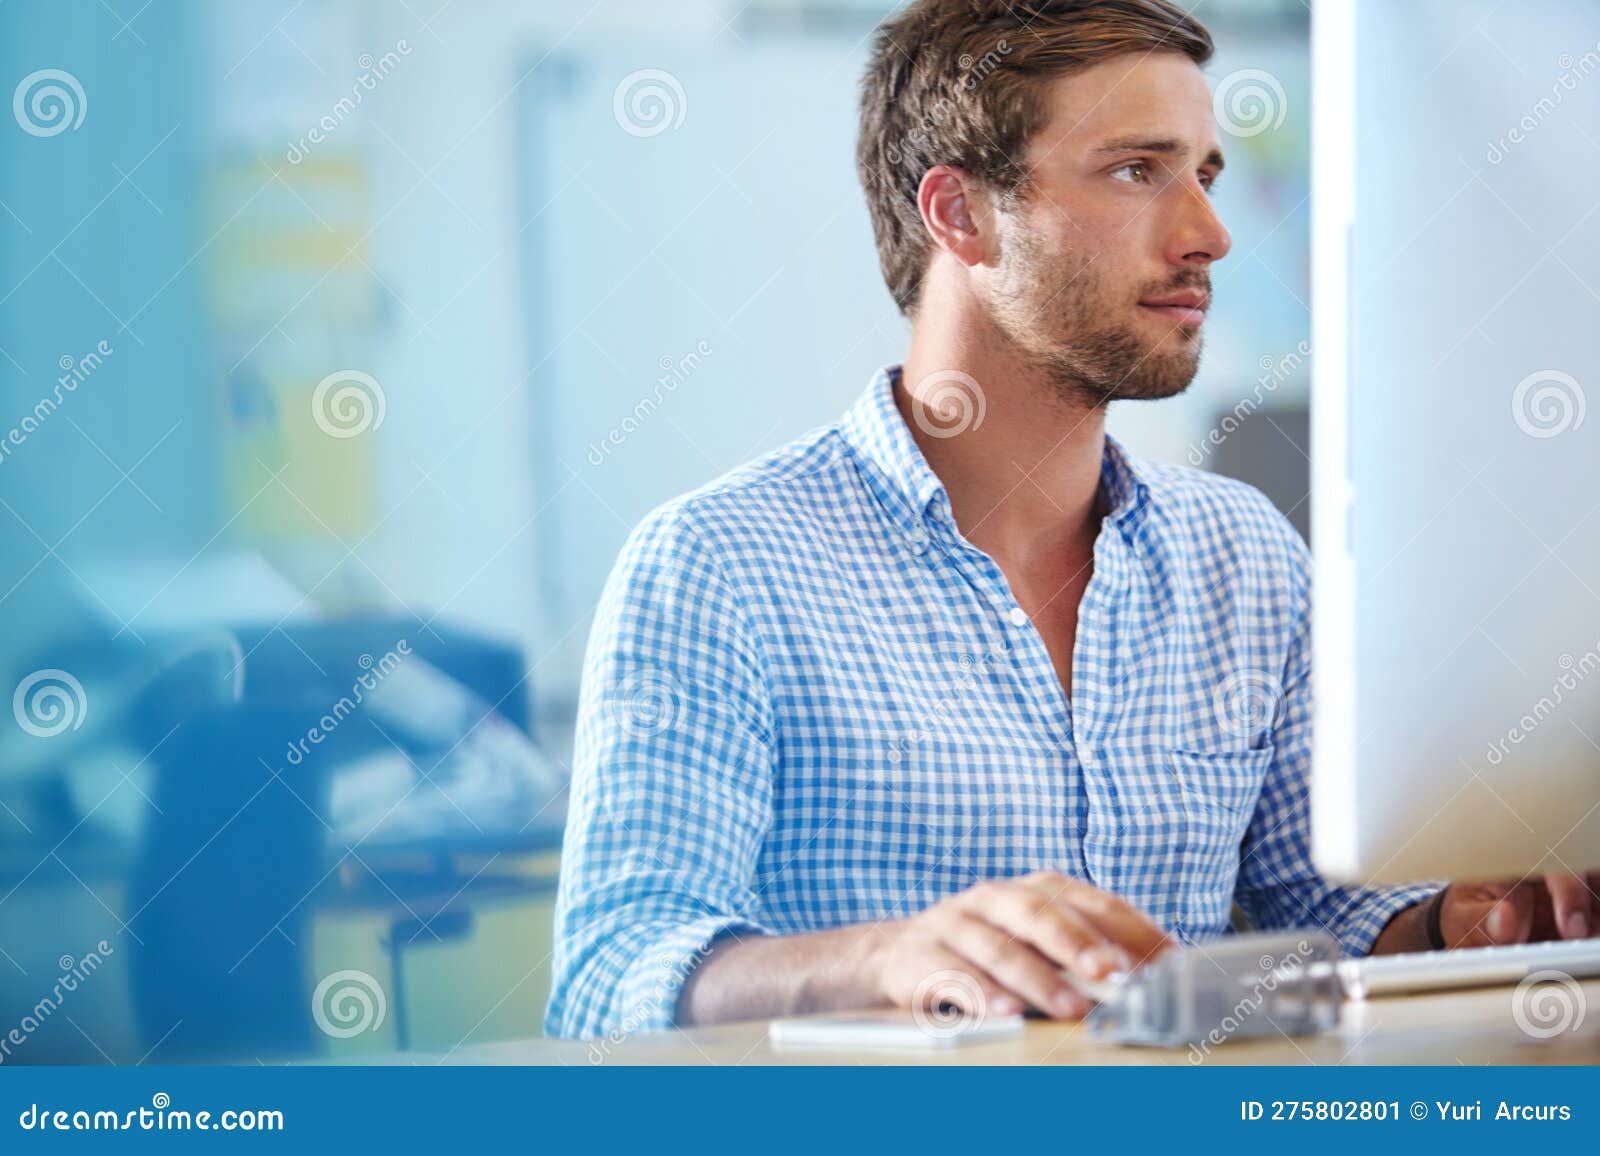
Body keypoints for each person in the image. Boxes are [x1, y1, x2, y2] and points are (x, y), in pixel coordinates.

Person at [545, 0, 1599, 1040]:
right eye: (1137, 171)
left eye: (1205, 176)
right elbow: (608, 974)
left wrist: (1454, 922)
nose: (1209, 235)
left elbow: (1323, 912)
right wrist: (886, 960)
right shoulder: (718, 563)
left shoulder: (1243, 556)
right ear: (959, 213)